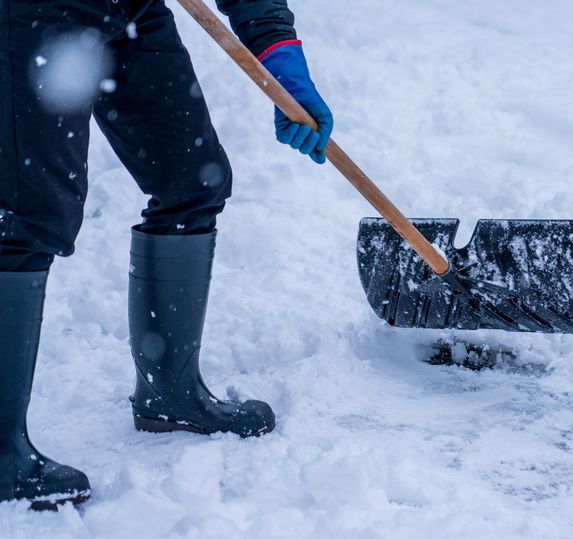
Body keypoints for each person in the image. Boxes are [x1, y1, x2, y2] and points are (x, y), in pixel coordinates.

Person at [0, 0, 332, 509]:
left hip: (128, 9)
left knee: (193, 181)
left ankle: (169, 393)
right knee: (27, 214)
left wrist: (277, 50)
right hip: (40, 11)